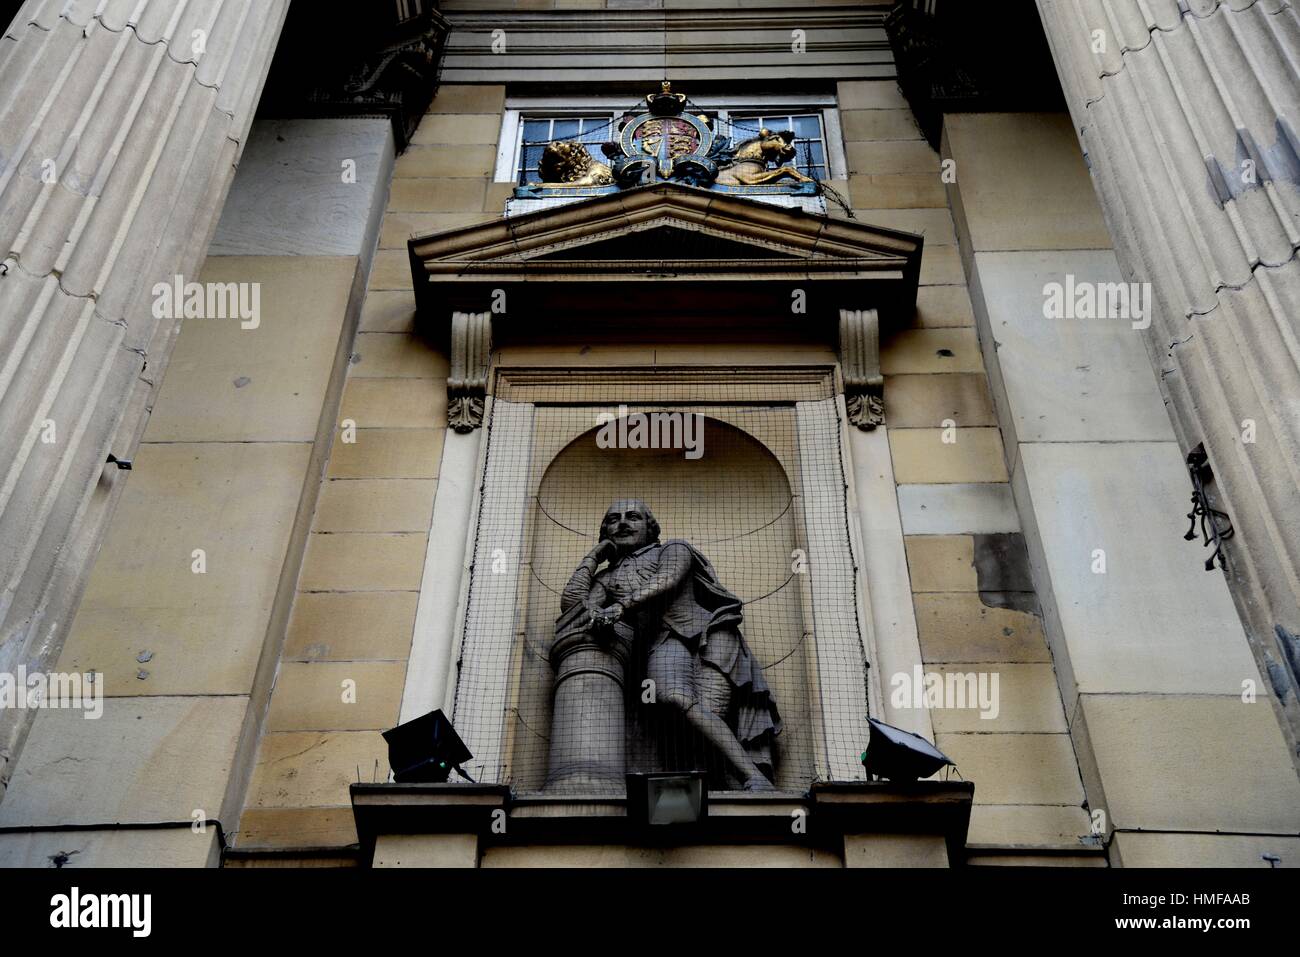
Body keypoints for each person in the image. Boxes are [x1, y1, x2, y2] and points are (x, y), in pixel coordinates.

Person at [559, 498, 781, 790]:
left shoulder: (674, 549)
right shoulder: (607, 576)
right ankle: (751, 777)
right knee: (674, 698)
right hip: (665, 642)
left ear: (649, 527)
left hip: (708, 637)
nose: (623, 523)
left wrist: (620, 607)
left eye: (633, 517)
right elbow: (573, 605)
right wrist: (595, 555)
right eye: (613, 519)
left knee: (705, 716)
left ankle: (745, 781)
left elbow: (667, 580)